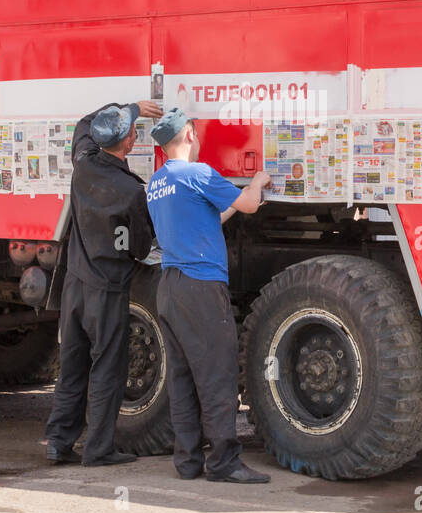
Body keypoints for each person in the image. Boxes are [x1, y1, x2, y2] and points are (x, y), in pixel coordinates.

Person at [146, 107, 272, 484]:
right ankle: (223, 463)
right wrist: (258, 182)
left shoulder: (157, 182)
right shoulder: (198, 173)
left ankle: (187, 462)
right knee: (216, 374)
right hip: (201, 286)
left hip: (169, 286)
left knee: (182, 377)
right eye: (196, 134)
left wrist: (234, 203)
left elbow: (208, 219)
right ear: (188, 134)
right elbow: (249, 204)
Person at [44, 98, 164, 467]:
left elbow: (84, 120)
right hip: (107, 290)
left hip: (74, 285)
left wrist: (130, 108)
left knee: (72, 365)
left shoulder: (83, 162)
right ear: (129, 142)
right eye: (131, 132)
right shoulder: (131, 192)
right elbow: (141, 246)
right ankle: (98, 449)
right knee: (108, 369)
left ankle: (59, 443)